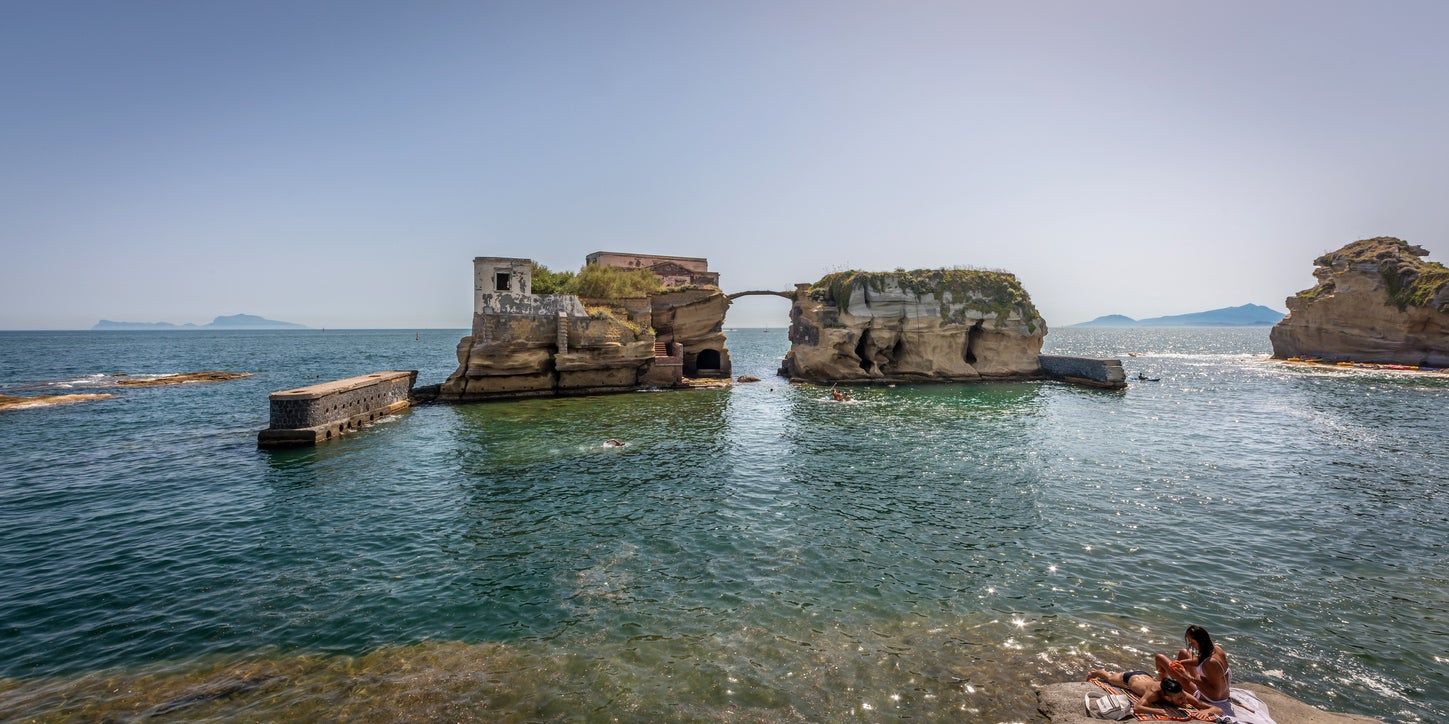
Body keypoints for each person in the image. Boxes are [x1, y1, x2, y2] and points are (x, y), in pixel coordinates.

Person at [1155, 625, 1233, 714]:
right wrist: (1183, 662)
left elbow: (1216, 692)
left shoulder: (1211, 663)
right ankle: (1168, 682)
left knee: (1159, 657)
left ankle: (1162, 687)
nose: (1190, 644)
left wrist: (1186, 676)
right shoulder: (1216, 649)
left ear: (1201, 642)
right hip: (1222, 694)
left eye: (1192, 642)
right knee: (1183, 652)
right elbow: (1201, 660)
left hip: (1211, 697)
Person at [1086, 669, 1222, 719]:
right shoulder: (1153, 694)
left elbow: (1218, 709)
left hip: (1146, 676)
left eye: (1183, 696)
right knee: (1109, 678)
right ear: (1167, 698)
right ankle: (1096, 672)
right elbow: (1138, 707)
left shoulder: (1181, 693)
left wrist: (1208, 712)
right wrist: (1162, 712)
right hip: (1129, 679)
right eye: (1180, 698)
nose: (1184, 700)